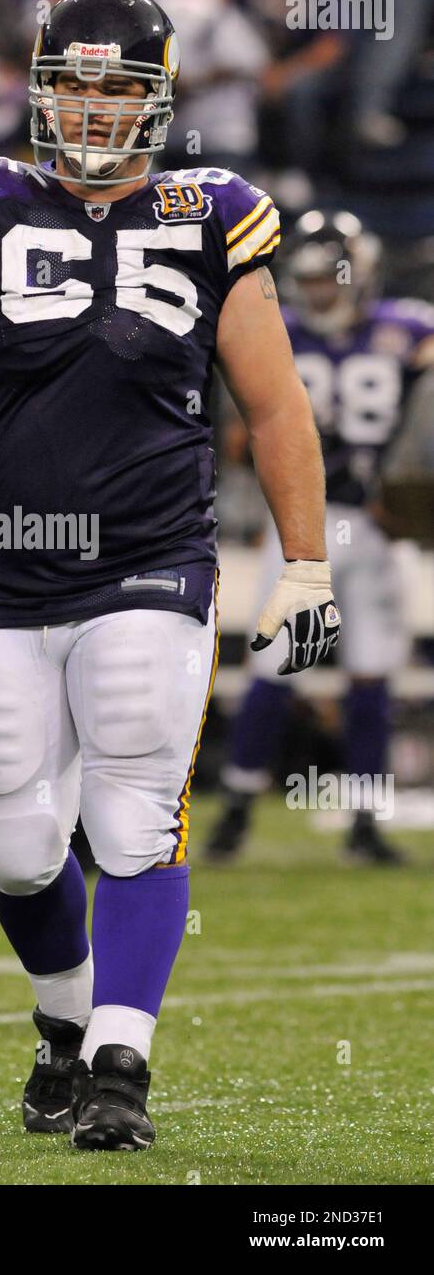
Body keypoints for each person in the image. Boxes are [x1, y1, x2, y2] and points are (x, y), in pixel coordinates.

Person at [0, 0, 340, 1151]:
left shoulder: (210, 210)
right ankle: (64, 1022)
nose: (84, 110)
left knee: (130, 815)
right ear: (34, 85)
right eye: (66, 85)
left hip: (148, 555)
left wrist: (307, 565)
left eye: (111, 88)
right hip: (10, 564)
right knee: (15, 843)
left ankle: (121, 1064)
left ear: (157, 99)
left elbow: (273, 406)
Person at [208, 210, 434, 864]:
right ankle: (237, 811)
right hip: (305, 525)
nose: (315, 295)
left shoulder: (404, 328)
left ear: (357, 274)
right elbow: (240, 437)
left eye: (325, 282)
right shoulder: (278, 336)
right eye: (306, 283)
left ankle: (362, 823)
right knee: (276, 668)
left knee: (369, 676)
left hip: (376, 526)